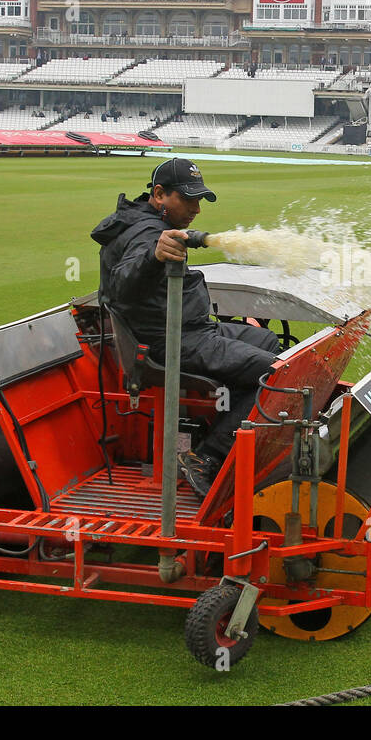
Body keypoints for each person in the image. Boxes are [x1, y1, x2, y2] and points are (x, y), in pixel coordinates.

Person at [90, 158, 281, 497]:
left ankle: (232, 424)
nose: (196, 208)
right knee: (274, 373)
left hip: (189, 329)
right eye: (188, 199)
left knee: (265, 338)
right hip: (167, 341)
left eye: (199, 199)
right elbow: (121, 285)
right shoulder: (146, 234)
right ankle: (208, 458)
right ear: (159, 194)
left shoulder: (144, 222)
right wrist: (154, 257)